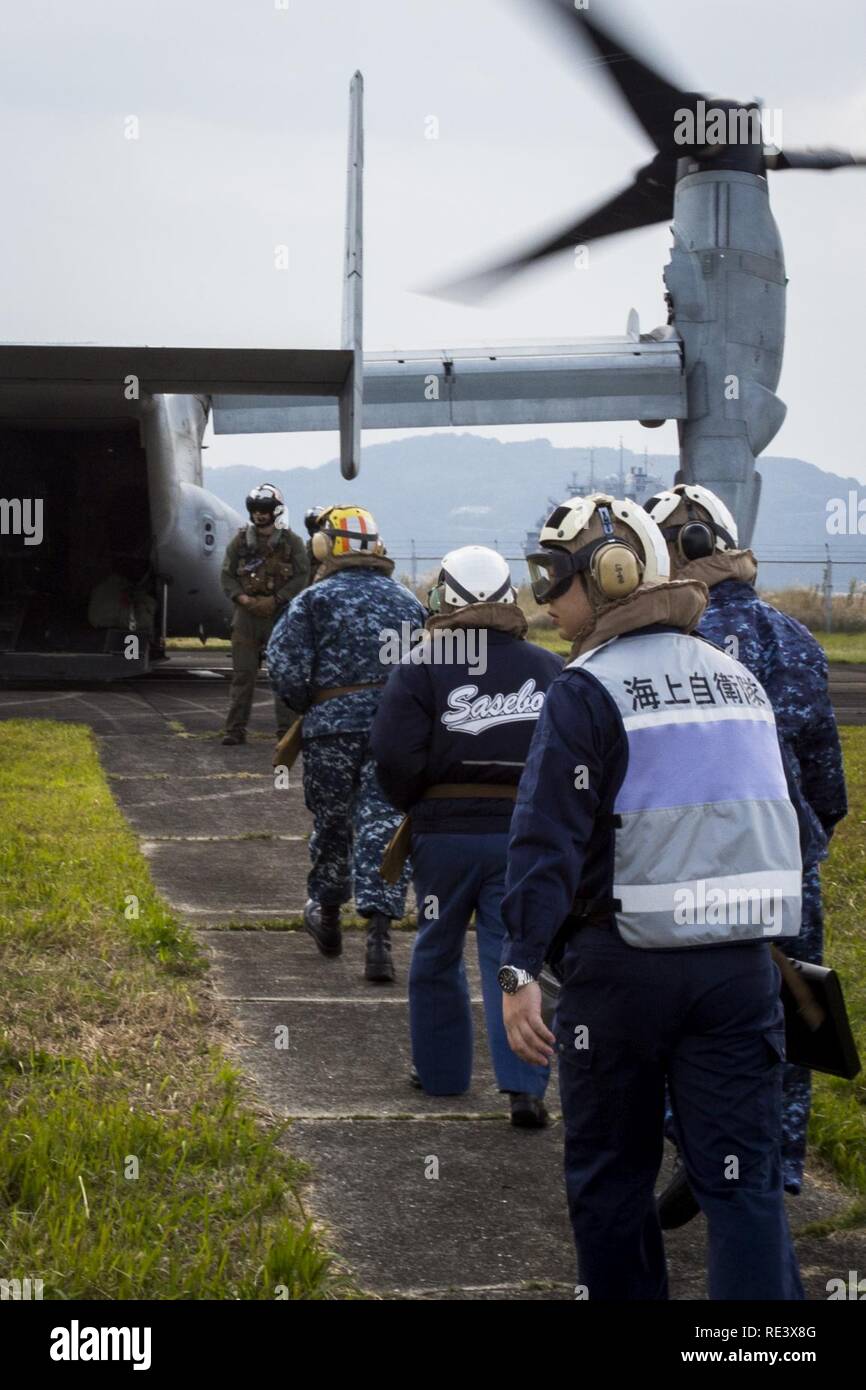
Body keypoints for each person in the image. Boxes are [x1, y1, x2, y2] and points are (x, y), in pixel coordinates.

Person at [499, 492, 804, 1300]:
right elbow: (795, 824)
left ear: (611, 576)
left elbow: (546, 841)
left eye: (553, 579)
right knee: (743, 1186)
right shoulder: (740, 682)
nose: (543, 600)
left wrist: (517, 966)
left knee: (611, 1183)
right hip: (741, 976)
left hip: (621, 973)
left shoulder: (585, 689)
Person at [644, 482, 847, 1219]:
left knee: (684, 1021)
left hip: (686, 878)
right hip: (787, 868)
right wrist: (803, 850)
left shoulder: (659, 647)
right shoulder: (794, 638)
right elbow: (829, 784)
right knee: (794, 1013)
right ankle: (775, 1167)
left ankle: (697, 1154)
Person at [371, 545, 563, 1126]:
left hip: (443, 837)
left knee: (436, 951)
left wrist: (422, 804)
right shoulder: (549, 668)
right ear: (509, 596)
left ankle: (442, 1075)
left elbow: (392, 757)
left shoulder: (420, 665)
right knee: (516, 955)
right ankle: (525, 1086)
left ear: (443, 598)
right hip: (522, 838)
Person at [267, 504, 426, 982]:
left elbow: (284, 666)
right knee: (384, 824)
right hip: (393, 730)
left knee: (333, 823)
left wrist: (309, 705)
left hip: (331, 731)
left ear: (324, 547)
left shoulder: (312, 601)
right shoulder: (407, 602)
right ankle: (379, 938)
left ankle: (329, 916)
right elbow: (427, 669)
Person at [220, 484, 309, 746]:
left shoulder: (292, 542)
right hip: (246, 619)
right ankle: (235, 730)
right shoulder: (239, 542)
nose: (259, 515)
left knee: (281, 675)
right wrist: (242, 598)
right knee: (242, 676)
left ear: (275, 511)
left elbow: (301, 576)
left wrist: (278, 599)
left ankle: (286, 733)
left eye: (265, 510)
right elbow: (226, 575)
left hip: (279, 617)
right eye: (256, 510)